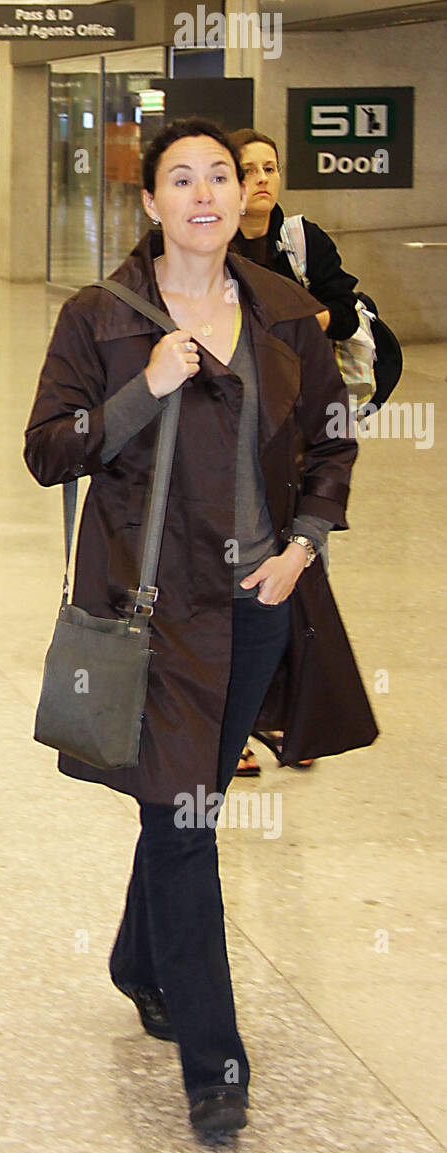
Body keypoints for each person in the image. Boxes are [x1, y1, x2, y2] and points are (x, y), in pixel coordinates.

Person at [24, 117, 376, 1139]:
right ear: (149, 203)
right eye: (179, 179)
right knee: (182, 823)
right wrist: (145, 390)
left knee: (184, 805)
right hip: (153, 607)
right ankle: (215, 1065)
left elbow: (330, 439)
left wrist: (304, 543)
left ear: (240, 195)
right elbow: (48, 450)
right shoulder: (100, 317)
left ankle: (139, 960)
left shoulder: (282, 311)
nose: (204, 193)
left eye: (218, 175)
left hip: (260, 602)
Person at [228, 126, 362, 777]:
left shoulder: (301, 243)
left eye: (269, 168)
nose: (261, 179)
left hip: (302, 426)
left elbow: (344, 308)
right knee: (241, 582)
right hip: (239, 437)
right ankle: (243, 727)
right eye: (247, 169)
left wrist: (307, 323)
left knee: (302, 573)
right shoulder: (208, 250)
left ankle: (293, 717)